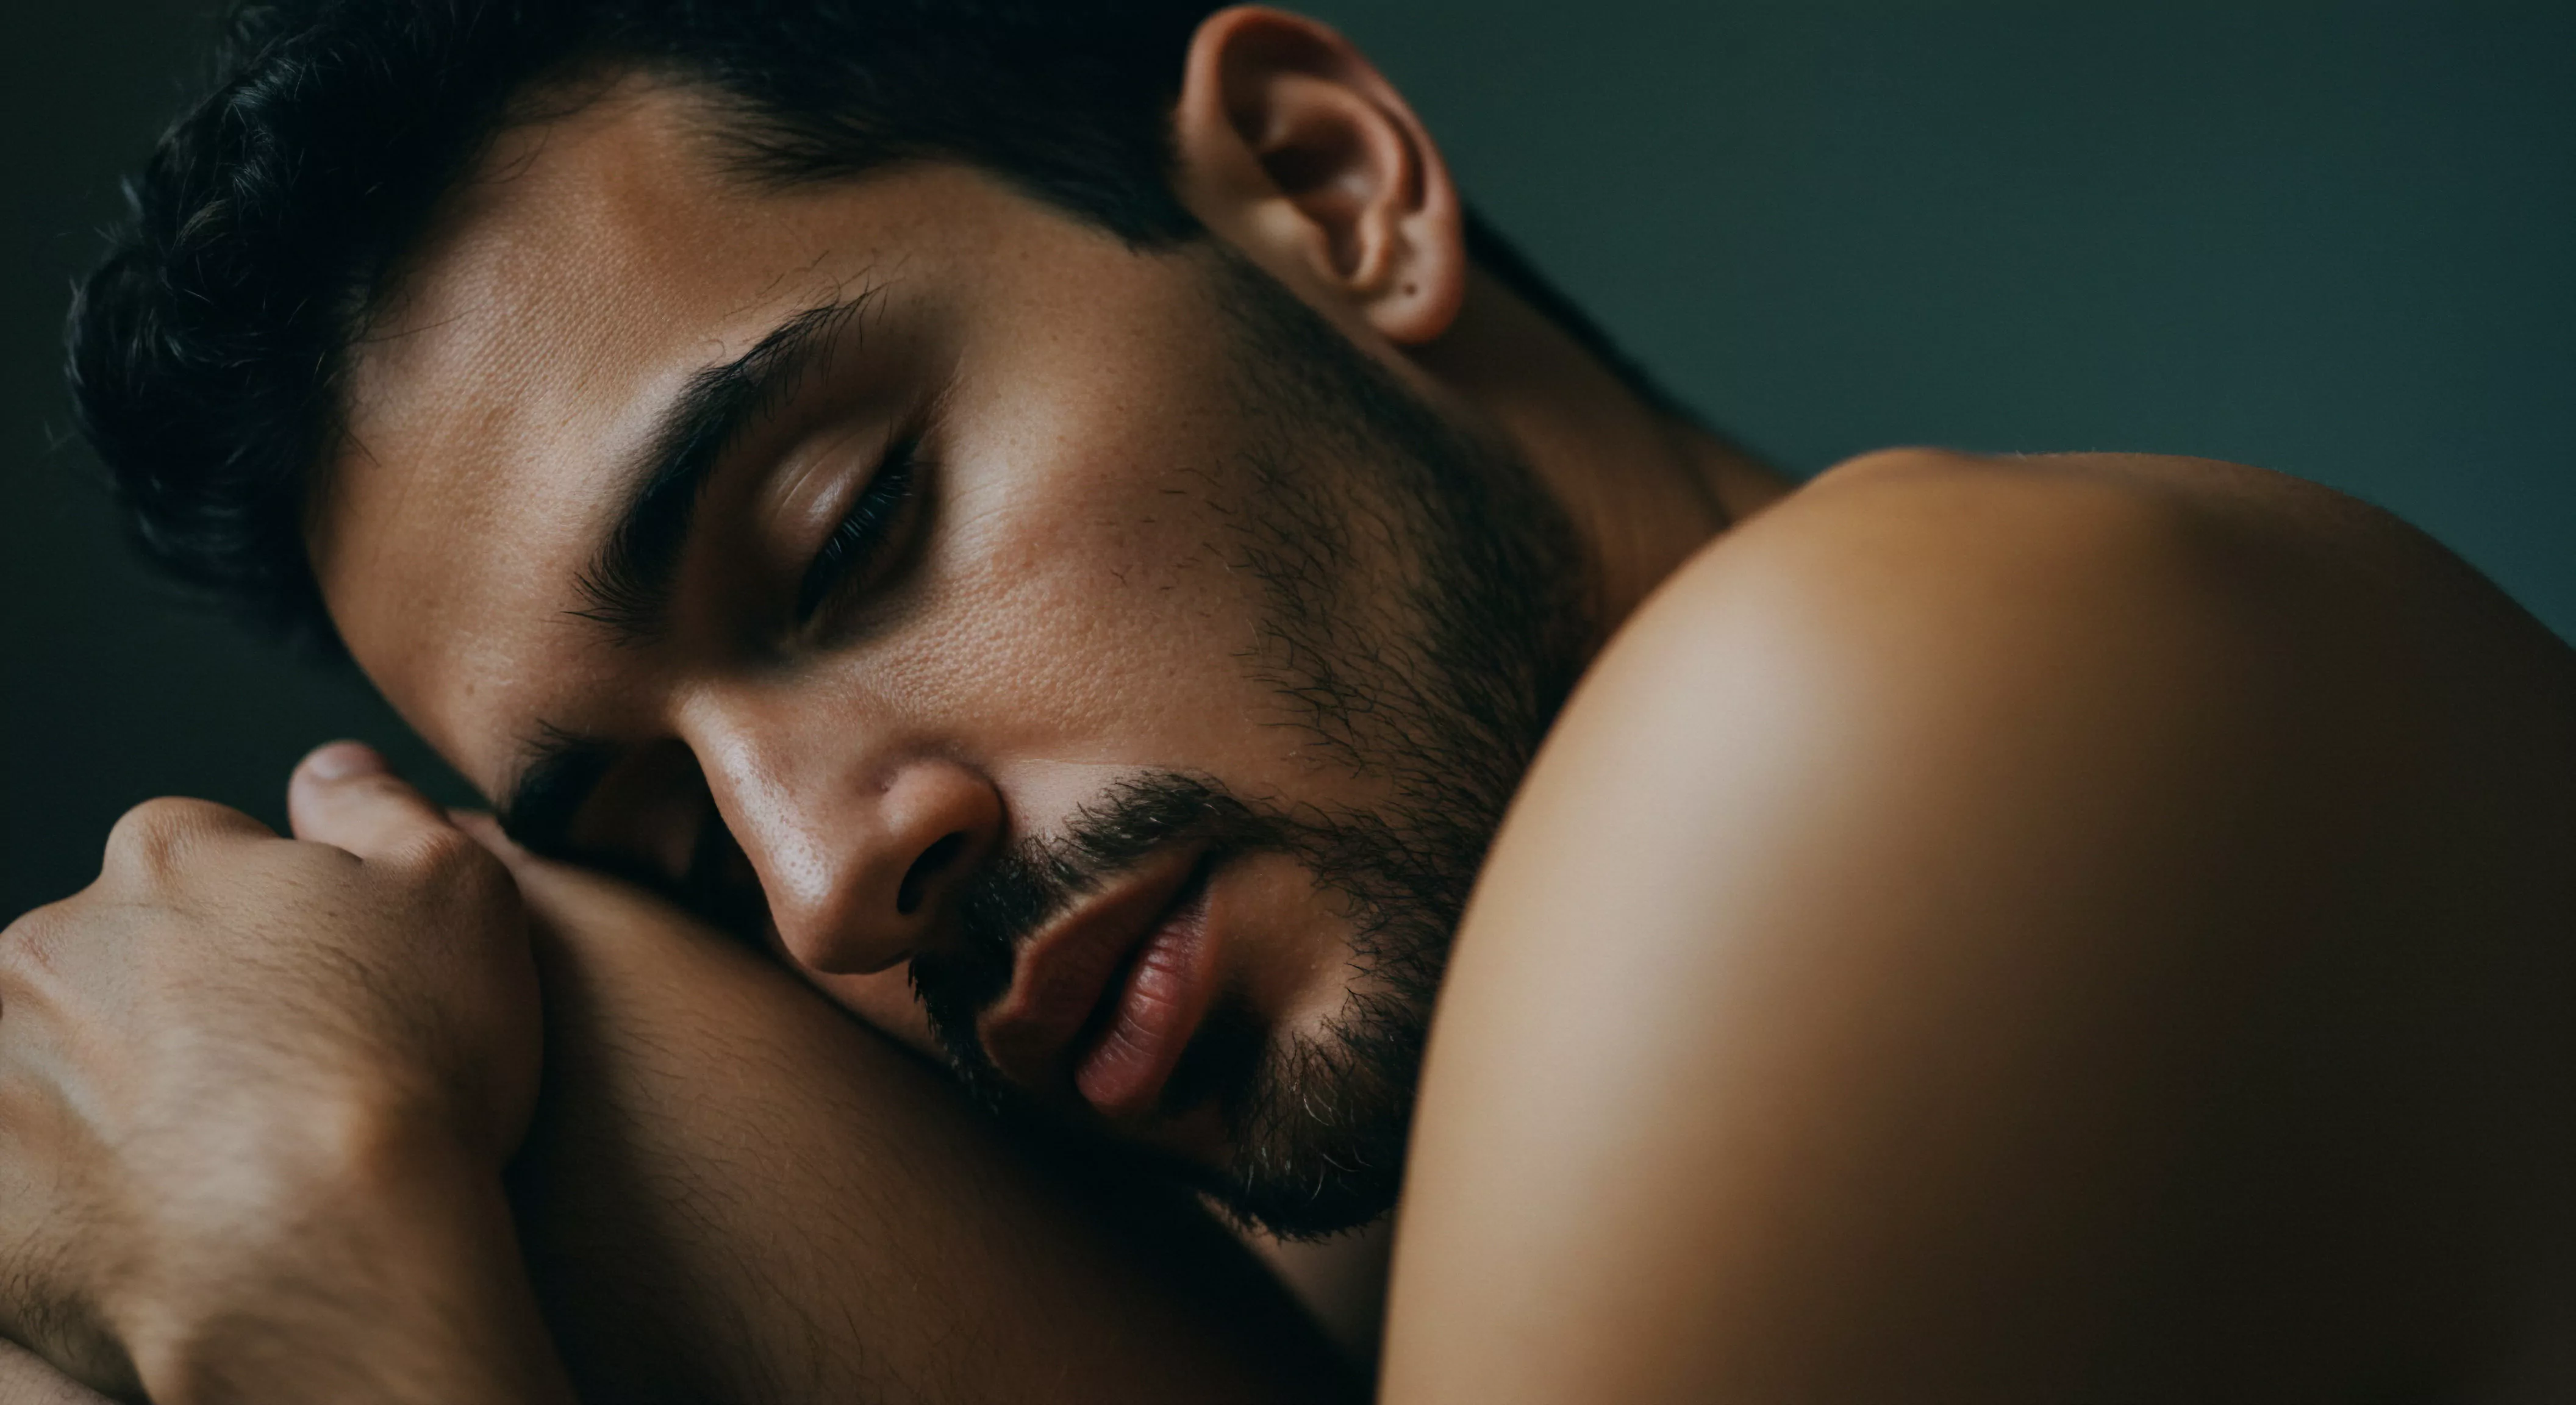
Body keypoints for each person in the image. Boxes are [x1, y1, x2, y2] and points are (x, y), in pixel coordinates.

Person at [7, 0, 2571, 1399]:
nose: (820, 886)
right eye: (674, 840)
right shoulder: (1344, 1261)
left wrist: (321, 1297)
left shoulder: (1911, 688)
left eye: (847, 533)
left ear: (1331, 190)